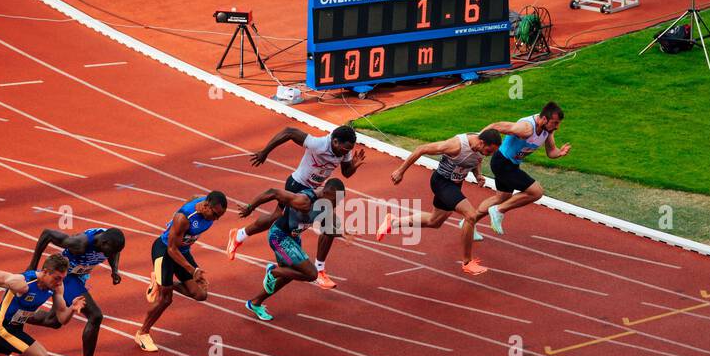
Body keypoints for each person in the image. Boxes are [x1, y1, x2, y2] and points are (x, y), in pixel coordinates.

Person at [227, 124, 366, 289]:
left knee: (283, 218)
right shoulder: (318, 144)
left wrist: (353, 166)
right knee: (315, 221)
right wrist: (265, 152)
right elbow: (289, 132)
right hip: (297, 186)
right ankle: (319, 270)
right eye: (345, 149)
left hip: (316, 190)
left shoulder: (346, 149)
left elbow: (346, 173)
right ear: (335, 142)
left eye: (349, 149)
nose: (347, 152)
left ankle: (240, 235)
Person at [376, 130, 501, 274]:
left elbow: (475, 160)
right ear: (481, 142)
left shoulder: (480, 148)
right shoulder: (456, 145)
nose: (489, 154)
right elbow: (421, 149)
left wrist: (478, 175)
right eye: (489, 151)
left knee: (434, 221)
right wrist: (400, 171)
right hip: (441, 183)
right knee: (471, 215)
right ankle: (467, 262)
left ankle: (393, 222)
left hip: (454, 185)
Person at [23, 226, 125, 356]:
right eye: (109, 251)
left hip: (79, 277)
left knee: (53, 322)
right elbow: (47, 234)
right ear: (104, 242)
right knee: (95, 315)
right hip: (66, 277)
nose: (109, 255)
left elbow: (115, 251)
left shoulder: (109, 242)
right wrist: (33, 265)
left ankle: (17, 316)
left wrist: (114, 270)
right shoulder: (80, 243)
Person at [241, 179, 346, 321]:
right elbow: (273, 192)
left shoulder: (325, 204)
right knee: (311, 274)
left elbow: (328, 228)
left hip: (292, 240)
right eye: (335, 200)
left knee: (289, 275)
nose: (336, 204)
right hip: (279, 238)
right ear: (326, 192)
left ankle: (255, 302)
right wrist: (250, 206)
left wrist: (346, 233)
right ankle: (273, 271)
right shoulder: (304, 200)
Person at [136, 192, 227, 352]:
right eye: (215, 215)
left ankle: (160, 283)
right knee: (166, 299)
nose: (216, 219)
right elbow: (171, 249)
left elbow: (193, 197)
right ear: (206, 206)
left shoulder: (205, 206)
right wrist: (193, 270)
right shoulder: (183, 219)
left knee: (200, 294)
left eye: (219, 216)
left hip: (182, 251)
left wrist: (193, 271)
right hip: (165, 251)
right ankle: (142, 333)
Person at [476, 102, 572, 234]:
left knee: (502, 198)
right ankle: (498, 210)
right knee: (536, 191)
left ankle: (469, 221)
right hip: (502, 163)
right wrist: (477, 140)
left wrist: (560, 153)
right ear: (544, 119)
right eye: (555, 123)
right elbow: (496, 126)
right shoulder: (526, 128)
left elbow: (551, 152)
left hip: (511, 165)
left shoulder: (547, 131)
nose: (557, 127)